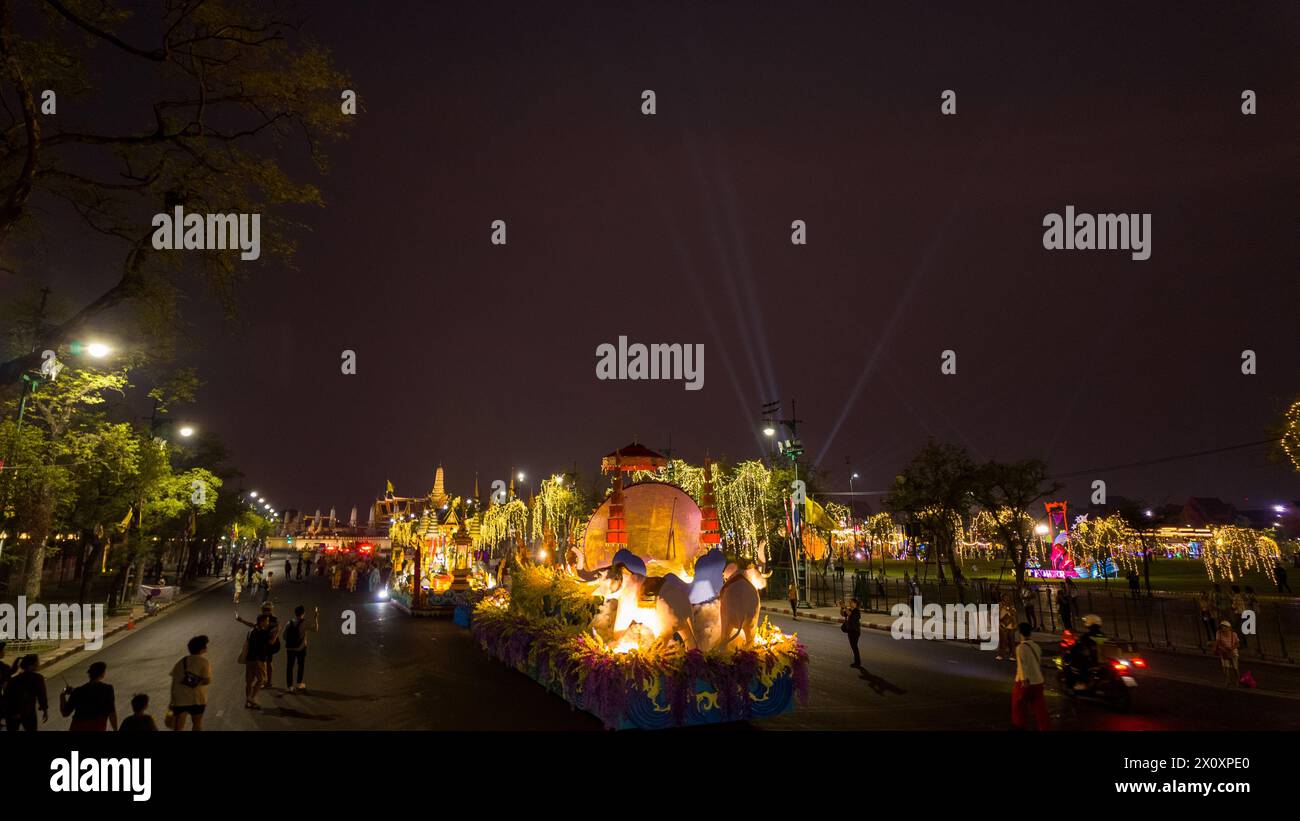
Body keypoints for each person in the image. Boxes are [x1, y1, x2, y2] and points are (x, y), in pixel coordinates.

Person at [169, 635, 212, 730]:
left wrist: (172, 701)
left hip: (180, 699)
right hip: (197, 699)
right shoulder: (204, 662)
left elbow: (174, 682)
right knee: (197, 724)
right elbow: (207, 681)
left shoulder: (180, 662)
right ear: (202, 649)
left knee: (178, 727)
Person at [1011, 623, 1049, 730]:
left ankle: (1019, 726)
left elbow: (1021, 666)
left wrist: (1023, 681)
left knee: (1019, 708)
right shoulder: (1036, 646)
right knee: (1040, 708)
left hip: (1025, 682)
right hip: (1038, 681)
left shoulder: (1020, 648)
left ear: (1020, 633)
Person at [60, 661, 118, 731]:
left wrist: (62, 695)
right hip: (98, 727)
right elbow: (112, 713)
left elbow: (65, 713)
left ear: (89, 674)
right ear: (102, 674)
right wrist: (115, 729)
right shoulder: (107, 689)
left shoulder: (78, 691)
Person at [238, 613, 277, 708]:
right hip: (258, 660)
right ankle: (251, 697)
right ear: (262, 622)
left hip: (249, 660)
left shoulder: (252, 631)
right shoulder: (262, 633)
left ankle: (248, 702)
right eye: (266, 621)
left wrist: (242, 620)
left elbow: (252, 624)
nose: (268, 623)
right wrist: (276, 632)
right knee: (261, 680)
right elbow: (271, 642)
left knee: (249, 682)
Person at [4, 654, 47, 731]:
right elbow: (41, 695)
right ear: (31, 665)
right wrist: (45, 709)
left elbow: (6, 696)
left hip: (12, 712)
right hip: (28, 712)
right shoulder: (37, 678)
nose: (38, 664)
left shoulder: (14, 680)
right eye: (37, 662)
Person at [283, 605, 320, 692]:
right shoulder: (305, 623)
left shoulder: (289, 623)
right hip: (301, 648)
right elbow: (316, 629)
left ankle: (290, 686)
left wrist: (291, 641)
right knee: (300, 665)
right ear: (303, 613)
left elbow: (284, 636)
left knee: (289, 667)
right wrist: (316, 618)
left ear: (295, 613)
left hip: (290, 648)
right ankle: (299, 684)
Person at [1213, 619, 1240, 687]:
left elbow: (1237, 644)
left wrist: (1231, 648)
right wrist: (1222, 648)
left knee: (1235, 667)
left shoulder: (1233, 634)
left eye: (1225, 627)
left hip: (1233, 652)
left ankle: (1237, 680)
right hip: (1224, 652)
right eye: (1222, 627)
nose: (1223, 628)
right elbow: (1218, 643)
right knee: (1226, 667)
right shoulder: (1219, 633)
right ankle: (1227, 681)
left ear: (1229, 628)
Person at [840, 598, 862, 667]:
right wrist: (841, 607)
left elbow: (850, 614)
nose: (850, 603)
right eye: (849, 602)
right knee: (853, 647)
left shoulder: (857, 611)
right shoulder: (849, 609)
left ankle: (857, 663)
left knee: (854, 647)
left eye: (851, 602)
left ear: (855, 603)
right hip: (850, 630)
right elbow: (843, 614)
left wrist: (844, 607)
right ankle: (857, 662)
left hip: (855, 631)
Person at [996, 594, 1016, 661]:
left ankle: (1013, 655)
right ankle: (1001, 654)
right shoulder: (999, 605)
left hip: (1010, 626)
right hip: (1002, 625)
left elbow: (1014, 614)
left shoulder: (1012, 606)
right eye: (1005, 598)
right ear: (1003, 599)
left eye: (1008, 598)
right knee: (1002, 641)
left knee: (1011, 641)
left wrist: (1009, 608)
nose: (1007, 600)